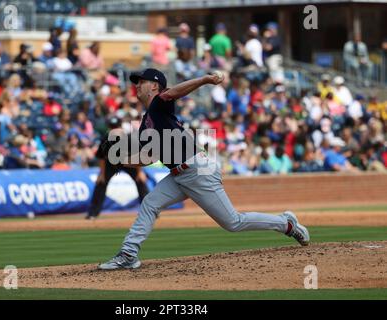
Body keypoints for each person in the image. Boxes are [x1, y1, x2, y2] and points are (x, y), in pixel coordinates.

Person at [98, 68, 310, 270]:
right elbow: (149, 157)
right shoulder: (147, 123)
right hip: (179, 175)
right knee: (150, 203)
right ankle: (128, 254)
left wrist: (204, 79)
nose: (137, 86)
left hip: (198, 170)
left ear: (155, 86)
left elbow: (172, 92)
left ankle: (286, 223)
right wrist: (120, 160)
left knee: (233, 222)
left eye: (142, 82)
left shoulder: (159, 105)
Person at [86, 116, 149, 219]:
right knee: (100, 183)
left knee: (141, 181)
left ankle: (150, 211)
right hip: (111, 163)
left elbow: (137, 155)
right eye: (113, 127)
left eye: (116, 126)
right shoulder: (106, 138)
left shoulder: (129, 137)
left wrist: (139, 172)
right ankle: (93, 213)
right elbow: (101, 157)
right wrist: (102, 174)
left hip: (128, 161)